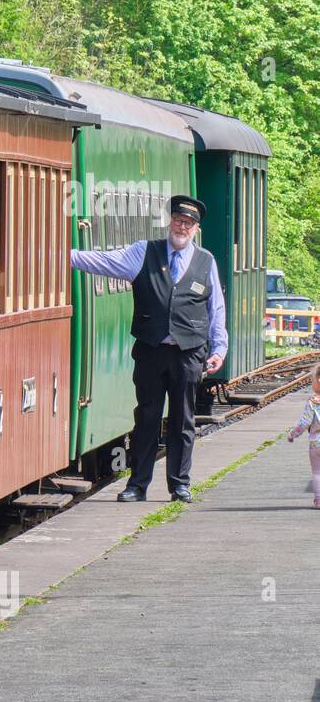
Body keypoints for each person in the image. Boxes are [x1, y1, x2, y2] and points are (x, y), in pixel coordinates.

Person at [69, 195, 227, 503]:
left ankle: (180, 484)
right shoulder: (144, 252)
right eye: (179, 221)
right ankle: (137, 485)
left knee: (183, 421)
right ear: (171, 222)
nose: (183, 227)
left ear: (195, 229)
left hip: (189, 353)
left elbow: (215, 309)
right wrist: (64, 255)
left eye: (189, 224)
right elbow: (104, 261)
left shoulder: (206, 261)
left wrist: (219, 348)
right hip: (152, 350)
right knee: (146, 417)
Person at [285, 366, 320, 509]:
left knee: (317, 472)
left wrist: (292, 434)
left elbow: (304, 422)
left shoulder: (313, 402)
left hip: (316, 442)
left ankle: (318, 500)